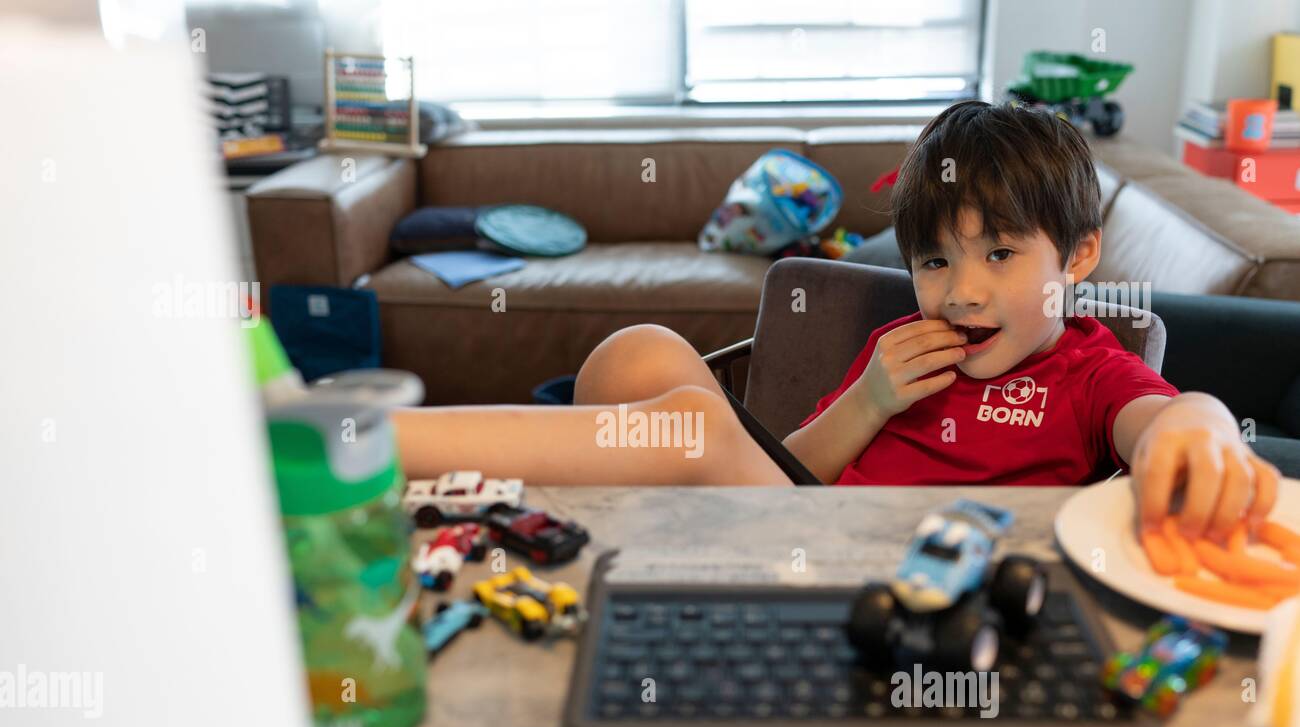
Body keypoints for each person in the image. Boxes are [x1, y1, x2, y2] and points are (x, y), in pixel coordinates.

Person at [393, 100, 1279, 542]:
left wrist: (1198, 429)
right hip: (805, 524)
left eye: (1000, 255)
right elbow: (798, 466)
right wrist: (871, 399)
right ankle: (610, 526)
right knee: (638, 352)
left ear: (1078, 257)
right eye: (935, 261)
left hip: (897, 570)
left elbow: (1165, 416)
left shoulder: (1087, 371)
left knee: (693, 424)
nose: (962, 293)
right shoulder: (901, 347)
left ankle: (372, 443)